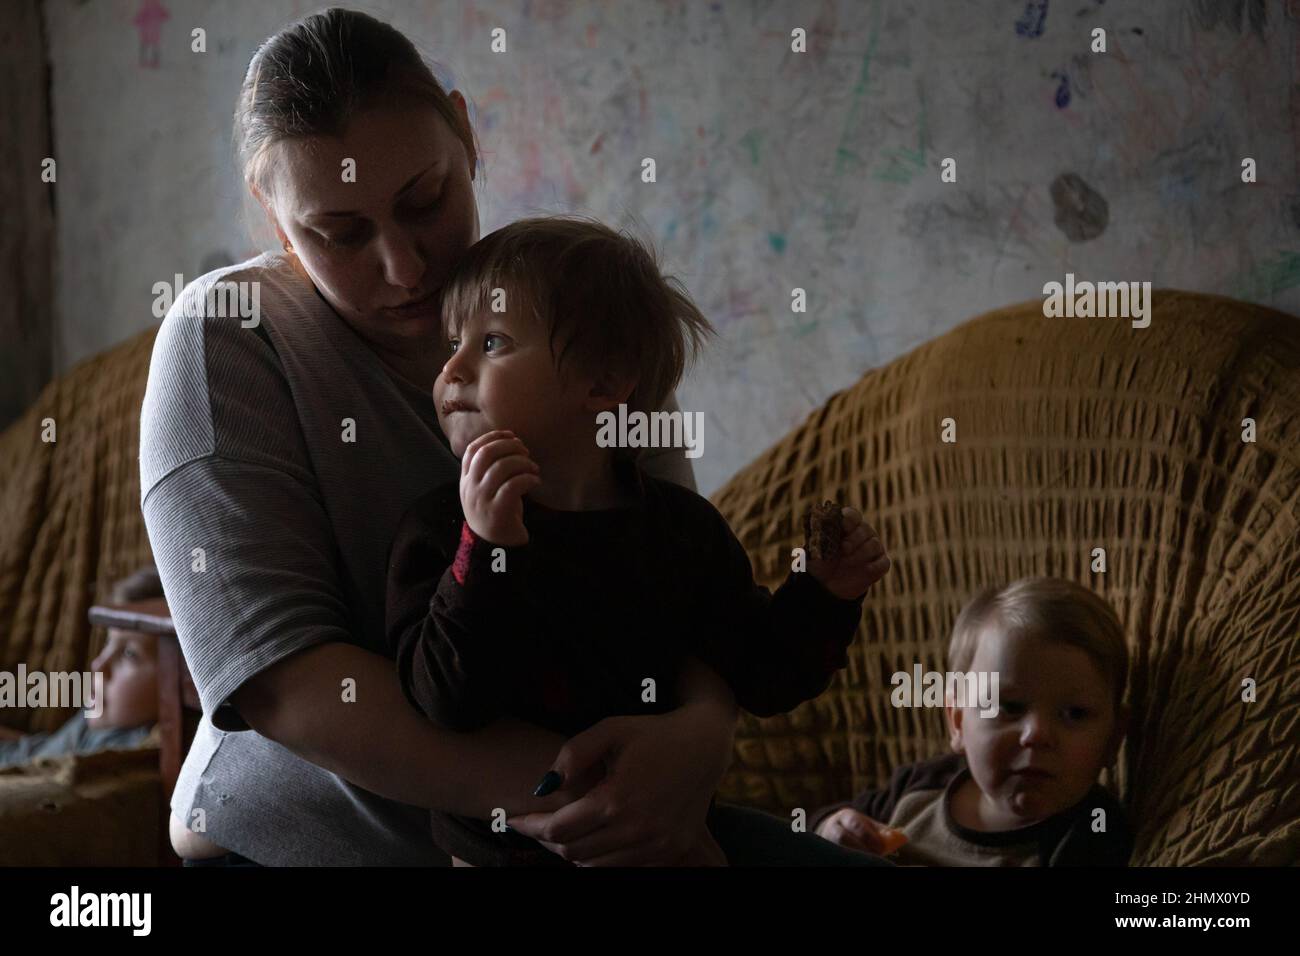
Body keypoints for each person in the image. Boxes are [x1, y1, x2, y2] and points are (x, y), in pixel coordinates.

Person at [142, 7, 805, 866]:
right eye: (338, 233)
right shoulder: (226, 339)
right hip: (311, 846)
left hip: (621, 829)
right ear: (273, 215)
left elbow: (680, 574)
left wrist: (700, 738)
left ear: (465, 130)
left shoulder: (577, 315)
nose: (405, 267)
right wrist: (593, 793)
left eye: (425, 201)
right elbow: (285, 686)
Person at [385, 217, 894, 866]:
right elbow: (442, 703)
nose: (452, 369)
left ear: (603, 385)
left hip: (666, 840)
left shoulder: (681, 532)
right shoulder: (439, 530)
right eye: (454, 343)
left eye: (492, 342)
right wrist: (487, 549)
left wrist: (825, 594)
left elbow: (761, 677)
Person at [810, 577, 1134, 866]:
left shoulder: (1093, 834)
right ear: (958, 721)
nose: (1036, 734)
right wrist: (832, 828)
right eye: (1008, 706)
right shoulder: (922, 786)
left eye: (1074, 714)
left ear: (1114, 739)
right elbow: (820, 827)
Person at [0, 567, 163, 768]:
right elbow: (39, 752)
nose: (98, 665)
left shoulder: (127, 754)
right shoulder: (101, 711)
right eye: (108, 643)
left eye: (129, 654)